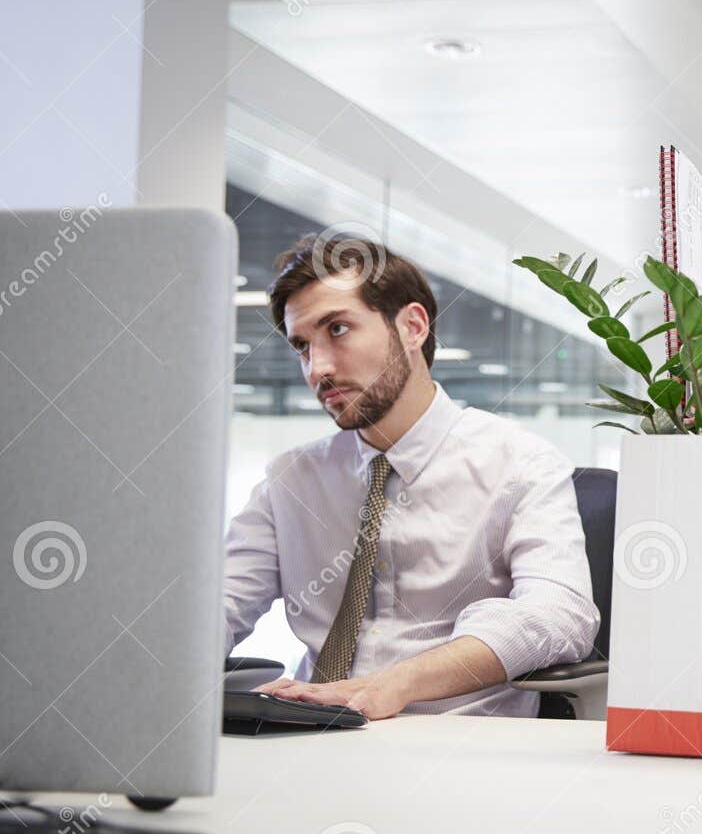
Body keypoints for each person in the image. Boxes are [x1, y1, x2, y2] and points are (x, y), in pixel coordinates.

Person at [224, 236, 599, 718]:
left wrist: (398, 683)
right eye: (302, 346)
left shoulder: (519, 463)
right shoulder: (291, 479)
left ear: (413, 326)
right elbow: (219, 606)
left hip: (457, 751)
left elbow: (560, 614)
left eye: (337, 329)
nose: (318, 368)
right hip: (311, 736)